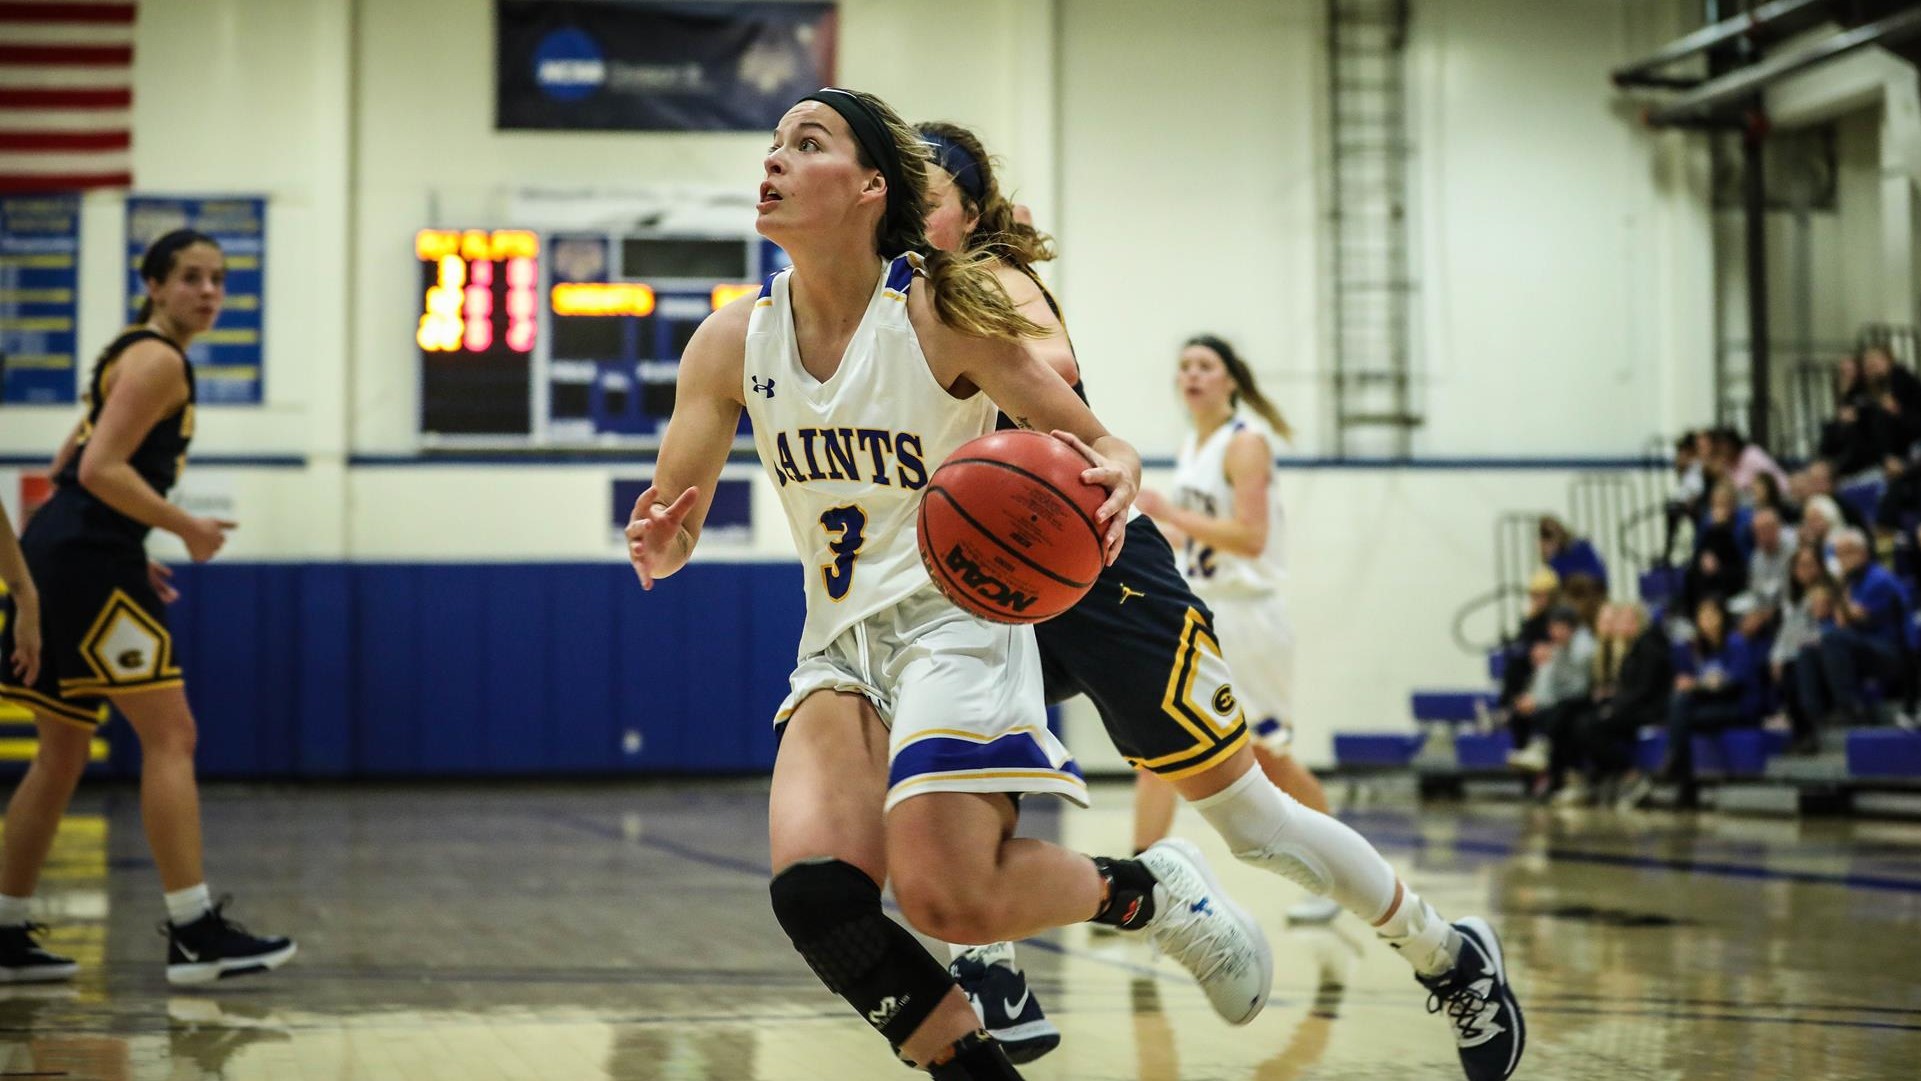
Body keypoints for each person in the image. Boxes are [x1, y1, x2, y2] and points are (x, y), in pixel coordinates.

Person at [624, 90, 1272, 1079]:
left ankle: (1146, 890)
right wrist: (662, 540)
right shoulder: (729, 344)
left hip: (957, 624)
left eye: (806, 144)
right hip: (839, 643)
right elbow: (674, 517)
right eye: (772, 145)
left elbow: (1097, 438)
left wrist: (1119, 470)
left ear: (870, 186)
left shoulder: (938, 316)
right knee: (817, 898)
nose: (773, 161)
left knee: (944, 901)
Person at [910, 121, 1523, 1081]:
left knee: (1254, 821)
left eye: (926, 192)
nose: (906, 210)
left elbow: (1048, 364)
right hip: (993, 587)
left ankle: (1448, 955)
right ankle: (987, 960)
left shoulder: (989, 288)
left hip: (1103, 573)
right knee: (947, 784)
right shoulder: (874, 309)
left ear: (970, 215)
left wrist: (986, 301)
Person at [0, 230, 294, 985]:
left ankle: (3, 929)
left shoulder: (125, 352)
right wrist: (181, 525)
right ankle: (194, 930)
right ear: (154, 284)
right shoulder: (160, 359)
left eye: (219, 280)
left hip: (67, 555)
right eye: (191, 277)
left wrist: (128, 547)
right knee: (172, 734)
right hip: (86, 561)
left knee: (62, 752)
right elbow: (98, 468)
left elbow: (67, 465)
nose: (208, 292)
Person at [1130, 334, 1341, 919]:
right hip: (1204, 606)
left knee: (1270, 758)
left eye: (1205, 366)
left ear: (1230, 380)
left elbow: (1250, 537)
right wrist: (1154, 533)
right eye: (1184, 367)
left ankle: (1339, 878)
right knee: (1157, 751)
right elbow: (1201, 533)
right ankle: (1143, 890)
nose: (1192, 375)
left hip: (1250, 616)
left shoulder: (1245, 443)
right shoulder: (1194, 443)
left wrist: (1170, 512)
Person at [1796, 528, 1913, 726]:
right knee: (1808, 650)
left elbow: (1847, 619)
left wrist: (1839, 590)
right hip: (1861, 646)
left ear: (1863, 553)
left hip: (1892, 651)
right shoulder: (1851, 581)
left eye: (1847, 552)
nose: (1842, 559)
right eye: (1838, 554)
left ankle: (1851, 708)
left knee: (1833, 639)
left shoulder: (1878, 579)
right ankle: (1813, 718)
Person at [1658, 595, 1757, 809]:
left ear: (1723, 616)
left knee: (1681, 717)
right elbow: (1704, 683)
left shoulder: (1736, 642)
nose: (1707, 620)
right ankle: (1684, 779)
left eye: (1712, 614)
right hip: (1713, 704)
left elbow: (1733, 684)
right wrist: (1693, 684)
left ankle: (1681, 776)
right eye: (1702, 615)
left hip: (1740, 706)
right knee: (1680, 704)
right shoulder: (1700, 650)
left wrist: (1697, 684)